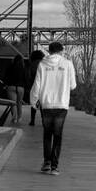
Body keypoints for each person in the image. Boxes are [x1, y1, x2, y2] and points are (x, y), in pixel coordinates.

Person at [29, 41, 75, 174]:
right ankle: (55, 167)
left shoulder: (42, 64)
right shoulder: (68, 64)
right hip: (61, 105)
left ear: (49, 51)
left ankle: (47, 163)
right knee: (58, 134)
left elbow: (37, 85)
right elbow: (73, 86)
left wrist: (33, 101)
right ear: (61, 51)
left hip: (46, 104)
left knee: (47, 133)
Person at [4, 52, 27, 126]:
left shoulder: (10, 67)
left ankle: (14, 118)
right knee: (19, 103)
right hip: (20, 87)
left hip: (11, 87)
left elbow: (5, 77)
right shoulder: (24, 68)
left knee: (13, 103)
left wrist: (5, 85)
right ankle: (20, 118)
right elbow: (26, 78)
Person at [26, 49, 44, 127]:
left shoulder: (32, 64)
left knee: (34, 104)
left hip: (34, 86)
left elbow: (29, 76)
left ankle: (32, 121)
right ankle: (44, 121)